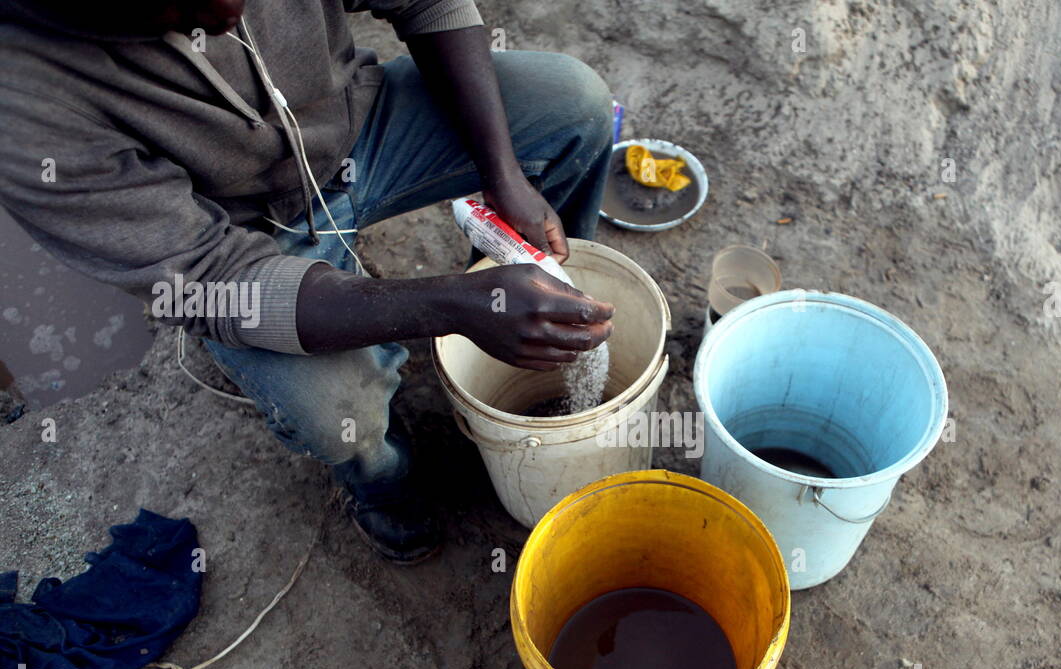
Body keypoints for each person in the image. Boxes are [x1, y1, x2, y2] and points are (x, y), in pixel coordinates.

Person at [0, 0, 617, 563]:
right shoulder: (22, 102)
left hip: (358, 128)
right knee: (335, 411)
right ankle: (384, 483)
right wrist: (449, 306)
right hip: (239, 234)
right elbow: (208, 279)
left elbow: (431, 3)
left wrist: (501, 171)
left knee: (574, 103)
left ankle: (530, 288)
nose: (231, 19)